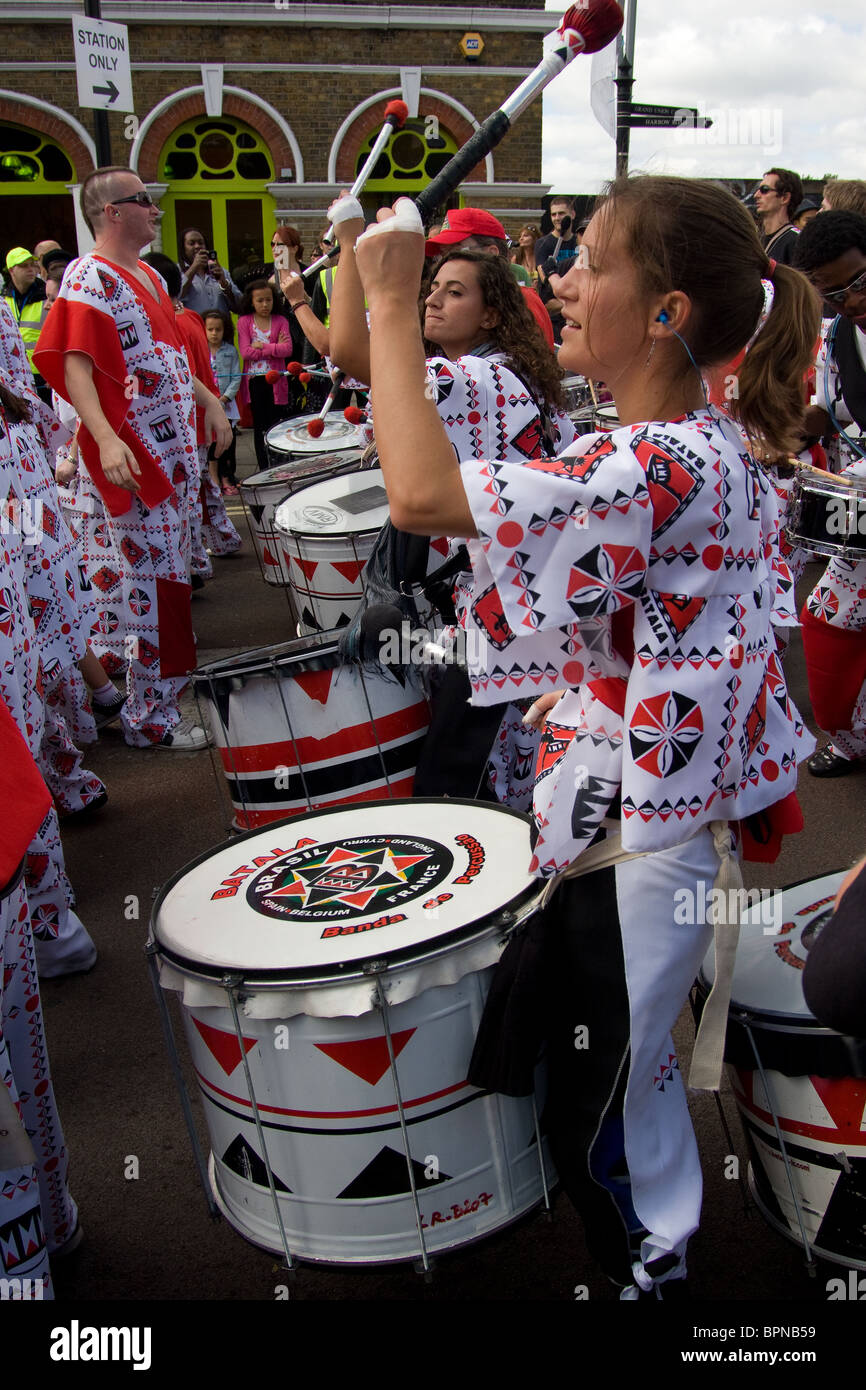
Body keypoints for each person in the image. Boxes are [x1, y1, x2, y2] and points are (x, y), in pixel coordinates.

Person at [352, 176, 818, 1297]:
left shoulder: (657, 462)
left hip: (634, 852)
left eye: (590, 260)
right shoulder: (681, 446)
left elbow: (415, 493)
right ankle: (648, 1253)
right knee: (619, 1071)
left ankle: (648, 1276)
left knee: (601, 1093)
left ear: (663, 312)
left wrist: (384, 300)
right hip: (634, 836)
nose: (560, 278)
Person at [34, 165, 232, 750]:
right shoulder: (86, 275)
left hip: (169, 457)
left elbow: (168, 353)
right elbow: (73, 364)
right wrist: (108, 436)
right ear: (112, 212)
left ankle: (153, 700)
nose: (156, 209)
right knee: (150, 586)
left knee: (164, 580)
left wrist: (211, 401)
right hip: (135, 458)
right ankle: (152, 717)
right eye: (144, 200)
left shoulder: (146, 273)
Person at [792, 210, 866, 777]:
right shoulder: (835, 334)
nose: (852, 299)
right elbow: (824, 411)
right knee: (826, 623)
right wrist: (783, 432)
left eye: (859, 281)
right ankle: (849, 740)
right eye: (834, 291)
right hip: (859, 504)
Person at [424, 207, 554, 349]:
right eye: (443, 255)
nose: (446, 263)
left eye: (455, 253)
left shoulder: (521, 302)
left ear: (491, 253)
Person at [237, 279, 294, 471]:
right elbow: (245, 352)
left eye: (268, 300)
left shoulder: (281, 321)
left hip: (277, 381)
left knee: (276, 424)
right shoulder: (244, 322)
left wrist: (262, 346)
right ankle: (263, 466)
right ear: (251, 301)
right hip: (256, 382)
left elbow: (287, 349)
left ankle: (279, 465)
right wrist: (274, 348)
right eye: (260, 300)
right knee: (259, 425)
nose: (264, 305)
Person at [203, 309, 242, 493]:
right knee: (211, 442)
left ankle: (228, 477)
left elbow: (236, 377)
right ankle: (213, 476)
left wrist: (225, 397)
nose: (214, 333)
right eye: (210, 329)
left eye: (217, 329)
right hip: (208, 405)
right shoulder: (200, 349)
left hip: (226, 404)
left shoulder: (230, 351)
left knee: (228, 442)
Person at [3, 246, 48, 400]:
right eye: (23, 266)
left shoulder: (46, 296)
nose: (30, 269)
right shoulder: (4, 300)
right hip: (15, 373)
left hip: (43, 376)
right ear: (11, 270)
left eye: (32, 264)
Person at [177, 226, 240, 318]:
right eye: (192, 243)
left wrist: (224, 283)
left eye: (201, 243)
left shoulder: (220, 271)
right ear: (183, 248)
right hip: (194, 329)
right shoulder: (177, 272)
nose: (197, 246)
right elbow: (177, 296)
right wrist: (194, 267)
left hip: (220, 330)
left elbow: (238, 306)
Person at [754, 167, 802, 265]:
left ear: (784, 198)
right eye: (758, 190)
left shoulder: (796, 241)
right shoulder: (755, 239)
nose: (756, 195)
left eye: (764, 190)